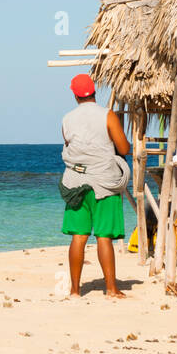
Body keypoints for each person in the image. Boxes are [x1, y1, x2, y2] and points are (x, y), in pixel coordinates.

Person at [60, 74, 131, 298]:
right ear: (93, 92)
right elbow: (124, 148)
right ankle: (111, 289)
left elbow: (69, 144)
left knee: (78, 237)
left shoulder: (67, 119)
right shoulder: (107, 116)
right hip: (104, 183)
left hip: (75, 183)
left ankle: (74, 290)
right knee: (103, 236)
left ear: (74, 94)